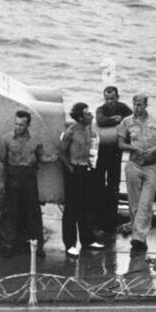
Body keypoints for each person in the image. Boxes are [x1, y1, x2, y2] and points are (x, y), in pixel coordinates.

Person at [116, 93, 156, 250]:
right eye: (135, 104)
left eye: (139, 104)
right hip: (133, 165)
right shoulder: (127, 122)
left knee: (146, 202)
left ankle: (138, 236)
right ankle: (139, 237)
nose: (136, 107)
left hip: (150, 166)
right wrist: (133, 147)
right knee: (134, 203)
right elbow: (120, 143)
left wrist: (155, 149)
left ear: (146, 105)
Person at [0, 109, 47, 258]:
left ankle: (37, 246)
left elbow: (40, 158)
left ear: (28, 125)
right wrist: (0, 181)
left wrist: (51, 159)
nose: (18, 127)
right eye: (16, 124)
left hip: (30, 178)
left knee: (34, 213)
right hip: (13, 178)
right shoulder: (6, 139)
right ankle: (7, 245)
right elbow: (1, 161)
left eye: (21, 125)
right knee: (9, 213)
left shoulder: (36, 139)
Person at [59, 103, 102, 256]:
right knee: (72, 208)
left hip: (86, 169)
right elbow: (61, 153)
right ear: (80, 117)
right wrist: (70, 169)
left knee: (87, 206)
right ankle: (70, 244)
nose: (91, 115)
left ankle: (88, 239)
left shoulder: (89, 129)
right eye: (87, 114)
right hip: (74, 169)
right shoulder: (71, 131)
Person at [94, 85, 132, 244]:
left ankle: (110, 220)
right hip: (101, 153)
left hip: (115, 153)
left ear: (117, 97)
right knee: (99, 186)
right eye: (107, 98)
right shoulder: (101, 109)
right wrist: (114, 120)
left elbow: (132, 119)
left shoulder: (123, 108)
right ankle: (100, 219)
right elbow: (100, 120)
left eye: (112, 98)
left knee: (114, 186)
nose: (109, 102)